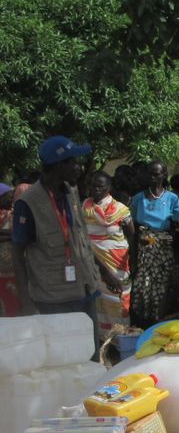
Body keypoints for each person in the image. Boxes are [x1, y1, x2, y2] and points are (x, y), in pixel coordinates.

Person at [12, 136, 109, 358]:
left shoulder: (71, 192)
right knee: (64, 360)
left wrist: (104, 272)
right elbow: (18, 254)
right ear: (59, 165)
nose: (79, 167)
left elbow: (81, 239)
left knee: (91, 355)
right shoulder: (27, 204)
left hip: (85, 288)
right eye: (74, 162)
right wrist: (26, 304)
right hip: (54, 298)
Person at [129, 161, 179, 327]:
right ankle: (142, 323)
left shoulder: (172, 198)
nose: (152, 177)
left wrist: (156, 239)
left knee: (161, 285)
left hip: (163, 248)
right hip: (143, 249)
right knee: (143, 285)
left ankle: (158, 322)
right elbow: (135, 231)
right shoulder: (138, 199)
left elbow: (174, 231)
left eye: (156, 173)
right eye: (150, 173)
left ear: (164, 175)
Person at [83, 172, 134, 332]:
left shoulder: (121, 210)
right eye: (93, 185)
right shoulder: (83, 208)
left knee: (119, 304)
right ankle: (102, 342)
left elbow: (131, 236)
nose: (96, 189)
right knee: (98, 305)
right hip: (93, 267)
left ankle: (120, 340)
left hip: (117, 266)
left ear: (109, 187)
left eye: (101, 186)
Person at [0, 183, 21, 316]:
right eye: (8, 196)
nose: (11, 199)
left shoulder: (13, 214)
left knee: (13, 301)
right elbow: (16, 234)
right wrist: (11, 235)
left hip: (14, 269)